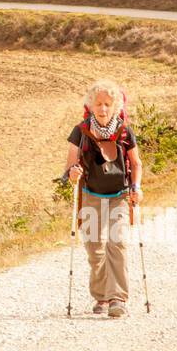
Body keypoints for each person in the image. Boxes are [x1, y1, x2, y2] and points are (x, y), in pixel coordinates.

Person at [63, 79, 143, 318]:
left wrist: (137, 187)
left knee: (116, 243)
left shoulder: (125, 131)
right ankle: (102, 297)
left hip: (119, 195)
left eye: (108, 104)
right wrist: (73, 173)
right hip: (90, 196)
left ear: (116, 105)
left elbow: (136, 163)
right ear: (91, 105)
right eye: (98, 103)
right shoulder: (81, 131)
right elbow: (69, 169)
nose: (103, 108)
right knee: (95, 247)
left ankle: (118, 299)